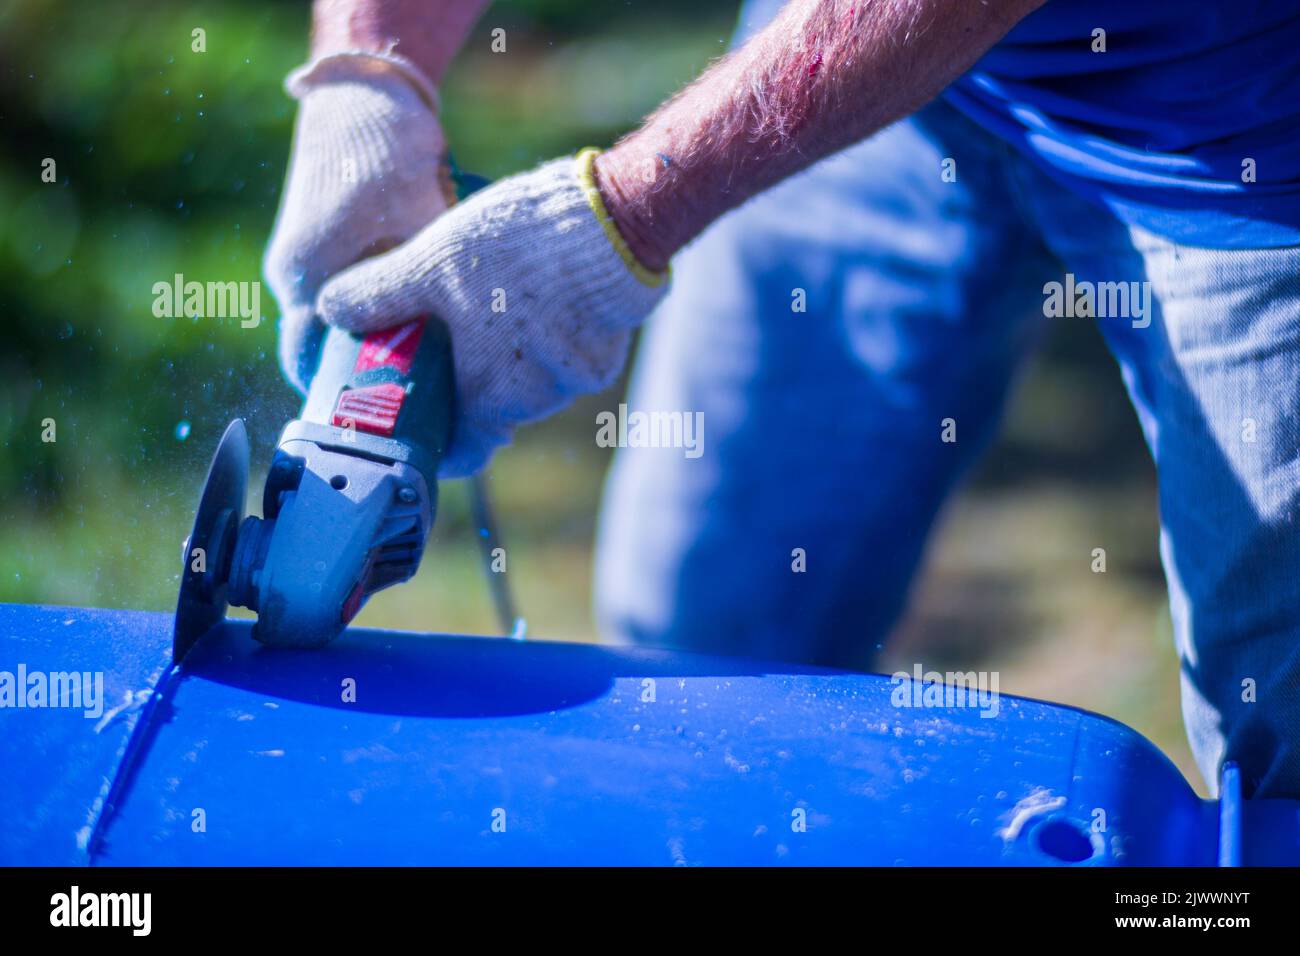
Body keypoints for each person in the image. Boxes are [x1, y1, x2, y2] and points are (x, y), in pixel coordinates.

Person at [264, 0, 1300, 800]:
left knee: (1278, 759)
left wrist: (610, 225)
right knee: (699, 644)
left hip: (1248, 136)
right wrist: (368, 78)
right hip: (853, 59)